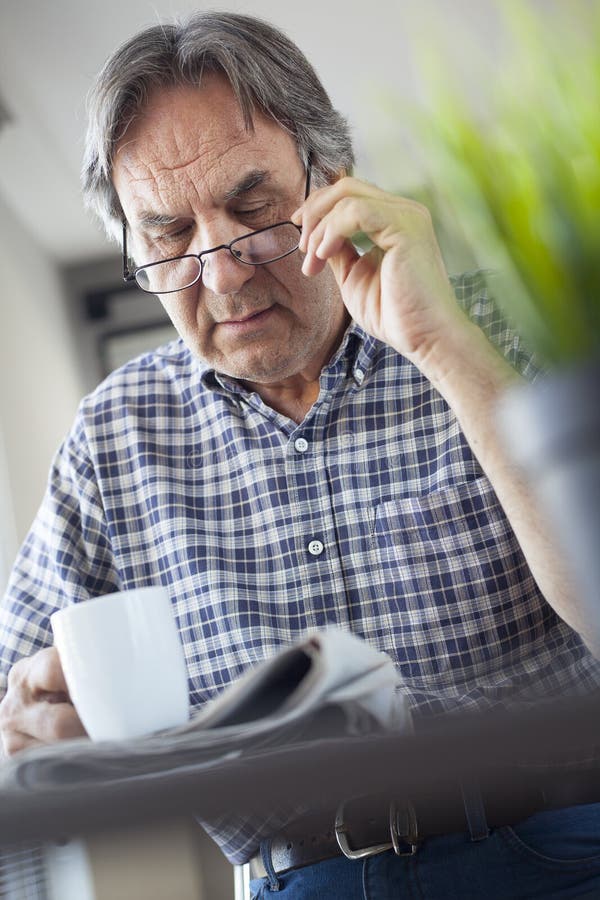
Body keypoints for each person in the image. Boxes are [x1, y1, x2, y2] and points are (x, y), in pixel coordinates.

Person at [1, 11, 600, 899]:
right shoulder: (112, 439)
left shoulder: (502, 326)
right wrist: (36, 731)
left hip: (555, 845)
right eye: (168, 237)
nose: (223, 273)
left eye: (252, 210)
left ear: (333, 180)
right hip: (298, 880)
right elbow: (13, 723)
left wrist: (446, 350)